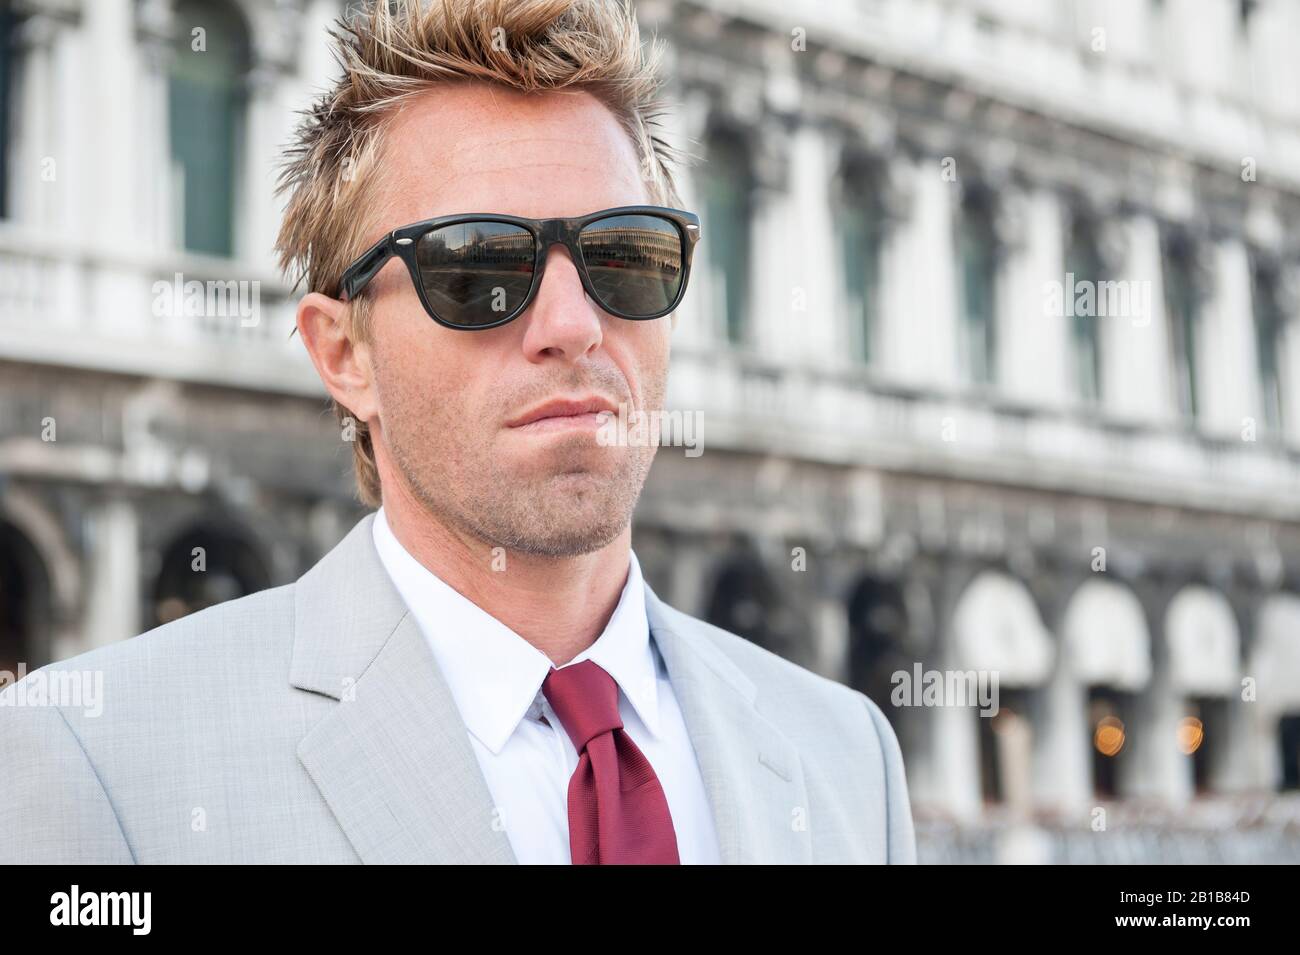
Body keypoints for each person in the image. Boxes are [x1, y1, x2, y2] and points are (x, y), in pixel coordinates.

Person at [0, 0, 915, 864]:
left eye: (625, 256)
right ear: (344, 353)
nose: (574, 323)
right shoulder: (96, 765)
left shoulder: (845, 757)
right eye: (477, 267)